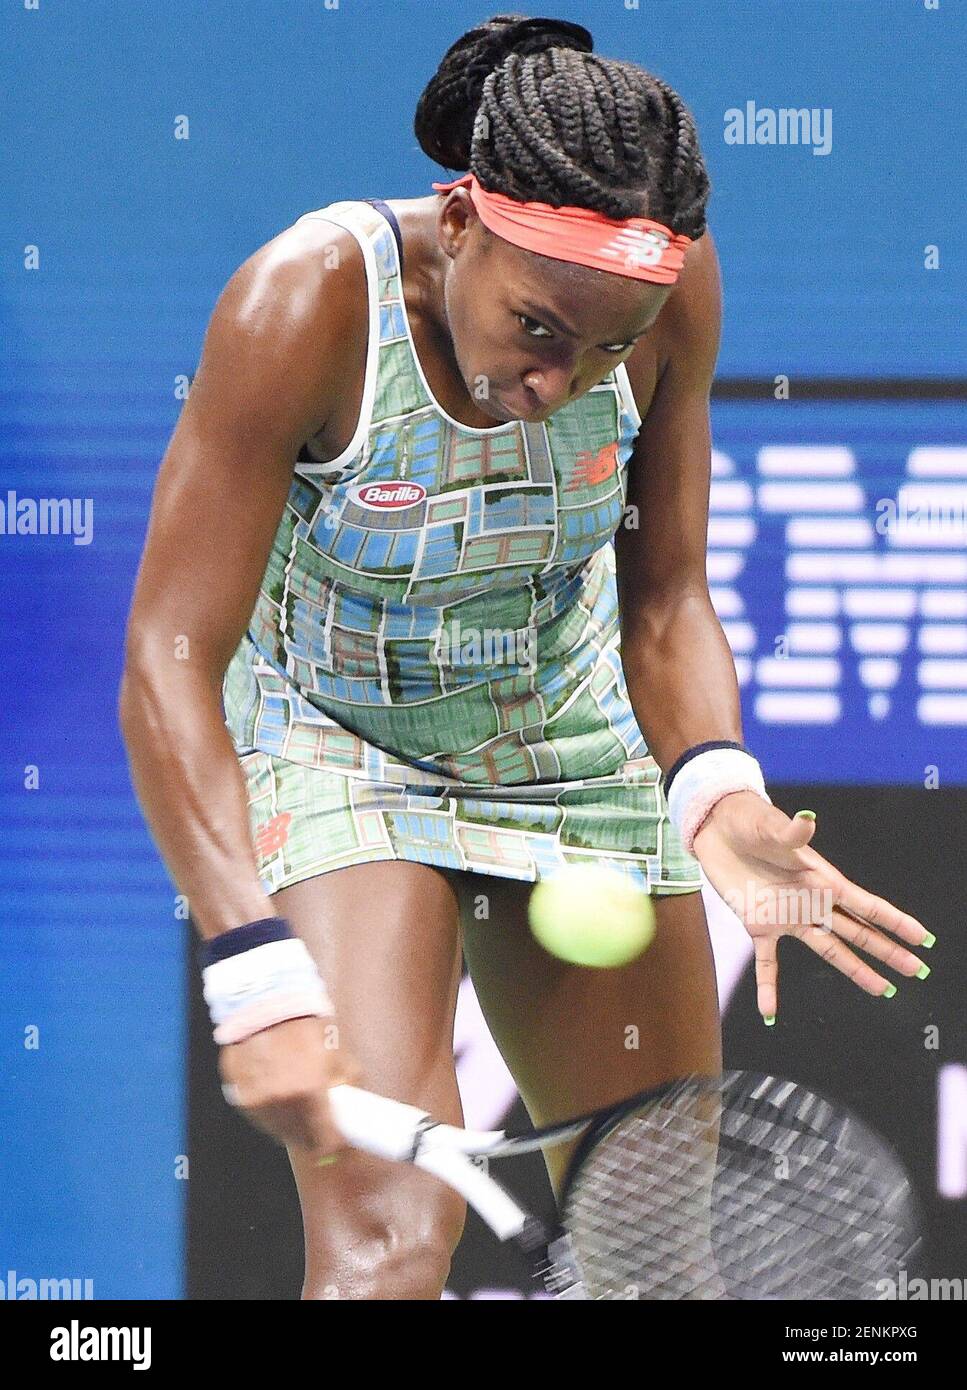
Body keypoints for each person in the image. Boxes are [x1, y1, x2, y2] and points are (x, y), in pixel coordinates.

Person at [119, 13, 932, 1300]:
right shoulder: (306, 303)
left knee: (658, 1270)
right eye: (541, 329)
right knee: (385, 1252)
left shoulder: (668, 291)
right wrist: (252, 969)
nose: (568, 378)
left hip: (563, 737)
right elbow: (167, 660)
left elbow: (661, 598)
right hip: (340, 742)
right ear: (459, 224)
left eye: (610, 347)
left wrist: (716, 786)